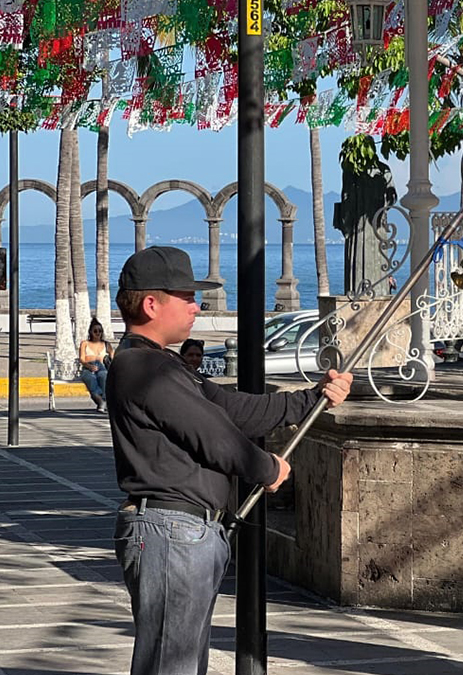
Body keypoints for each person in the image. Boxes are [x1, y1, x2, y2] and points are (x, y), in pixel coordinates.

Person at [107, 246, 354, 675]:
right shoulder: (142, 368)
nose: (196, 306)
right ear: (151, 304)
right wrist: (267, 468)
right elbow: (215, 437)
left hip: (187, 533)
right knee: (171, 666)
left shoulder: (165, 365)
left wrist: (312, 399)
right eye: (187, 297)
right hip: (171, 533)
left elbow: (235, 409)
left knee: (182, 662)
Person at [335, 136, 398, 297]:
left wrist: (345, 221)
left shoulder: (350, 172)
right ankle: (377, 290)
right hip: (377, 223)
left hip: (358, 224)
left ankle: (358, 290)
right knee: (377, 257)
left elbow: (346, 197)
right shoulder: (383, 169)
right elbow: (392, 198)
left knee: (361, 257)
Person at [79, 317, 114, 412]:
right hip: (88, 367)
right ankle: (101, 401)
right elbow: (82, 359)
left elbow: (112, 357)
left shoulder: (106, 344)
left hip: (101, 367)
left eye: (100, 331)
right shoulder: (85, 343)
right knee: (91, 379)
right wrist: (89, 366)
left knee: (104, 376)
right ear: (91, 332)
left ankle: (103, 402)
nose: (98, 333)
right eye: (95, 331)